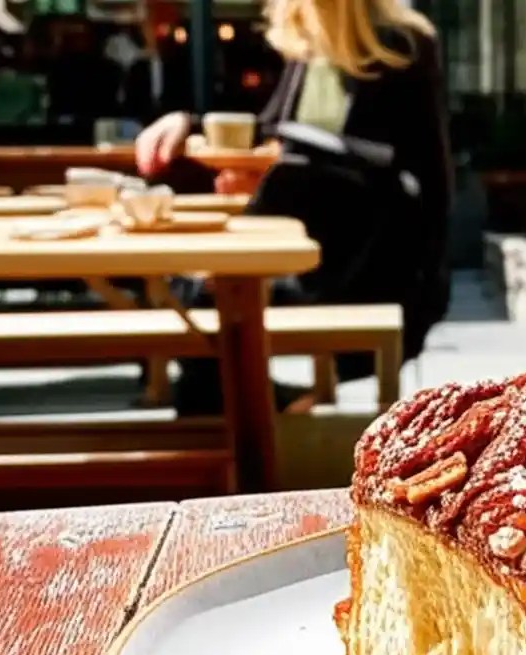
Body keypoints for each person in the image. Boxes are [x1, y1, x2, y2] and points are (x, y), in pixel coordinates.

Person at [135, 0, 451, 416]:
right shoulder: (307, 43)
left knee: (211, 303)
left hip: (362, 262)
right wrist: (187, 124)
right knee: (197, 303)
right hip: (293, 248)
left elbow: (431, 177)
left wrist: (432, 282)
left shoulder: (403, 44)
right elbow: (269, 136)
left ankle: (234, 445)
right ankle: (237, 437)